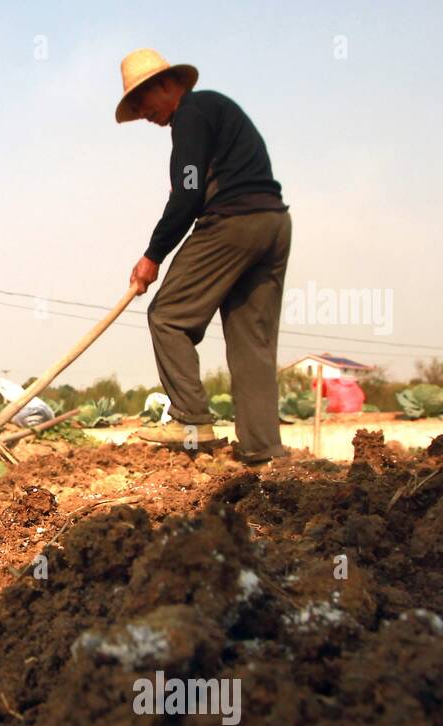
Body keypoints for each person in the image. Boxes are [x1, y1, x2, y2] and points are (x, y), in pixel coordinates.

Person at [116, 48, 292, 464]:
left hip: (233, 223)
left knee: (169, 316)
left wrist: (152, 256)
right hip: (273, 224)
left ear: (164, 85)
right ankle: (263, 451)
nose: (142, 114)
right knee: (254, 344)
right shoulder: (217, 108)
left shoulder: (191, 113)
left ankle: (191, 418)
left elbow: (189, 193)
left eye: (142, 103)